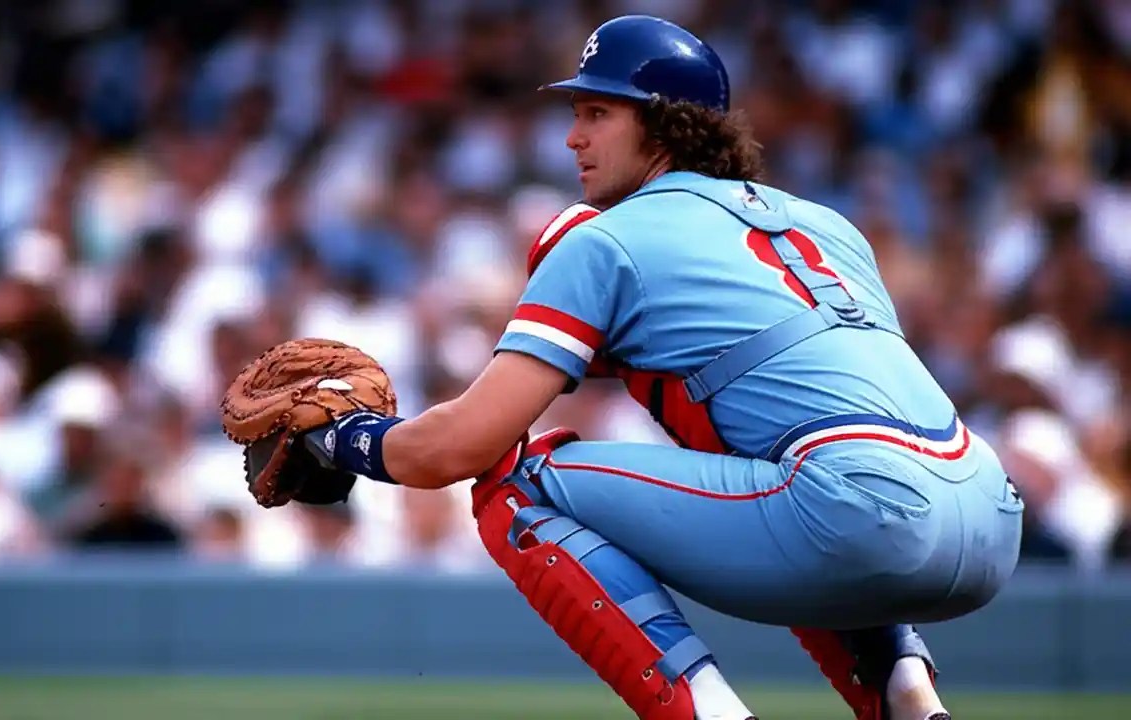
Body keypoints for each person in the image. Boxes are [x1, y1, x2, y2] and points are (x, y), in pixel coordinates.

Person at [302, 15, 1022, 720]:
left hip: (858, 513)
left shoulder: (603, 238)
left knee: (517, 482)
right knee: (768, 453)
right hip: (987, 511)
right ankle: (909, 696)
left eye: (596, 111)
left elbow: (459, 448)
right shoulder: (826, 224)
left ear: (665, 122)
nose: (571, 136)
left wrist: (340, 437)